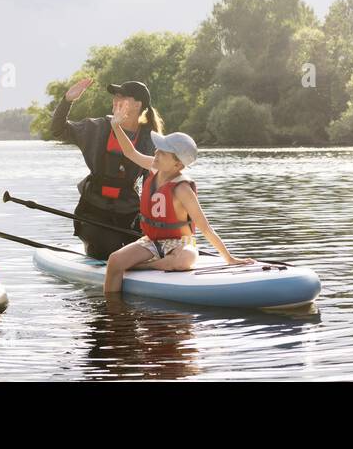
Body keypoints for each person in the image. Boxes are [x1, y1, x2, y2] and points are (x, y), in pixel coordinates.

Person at [103, 120, 253, 293]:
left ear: (178, 164)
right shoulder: (154, 168)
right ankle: (113, 313)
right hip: (151, 241)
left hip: (180, 243)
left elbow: (205, 228)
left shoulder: (182, 188)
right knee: (114, 260)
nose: (156, 154)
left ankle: (145, 266)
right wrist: (115, 126)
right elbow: (130, 152)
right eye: (157, 149)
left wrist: (229, 258)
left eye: (163, 153)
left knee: (182, 261)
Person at [50, 77, 161, 259]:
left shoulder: (150, 138)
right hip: (93, 211)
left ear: (137, 105)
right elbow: (57, 130)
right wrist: (67, 100)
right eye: (115, 97)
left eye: (122, 97)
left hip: (129, 212)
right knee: (109, 248)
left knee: (151, 250)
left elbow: (155, 181)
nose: (115, 101)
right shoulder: (96, 127)